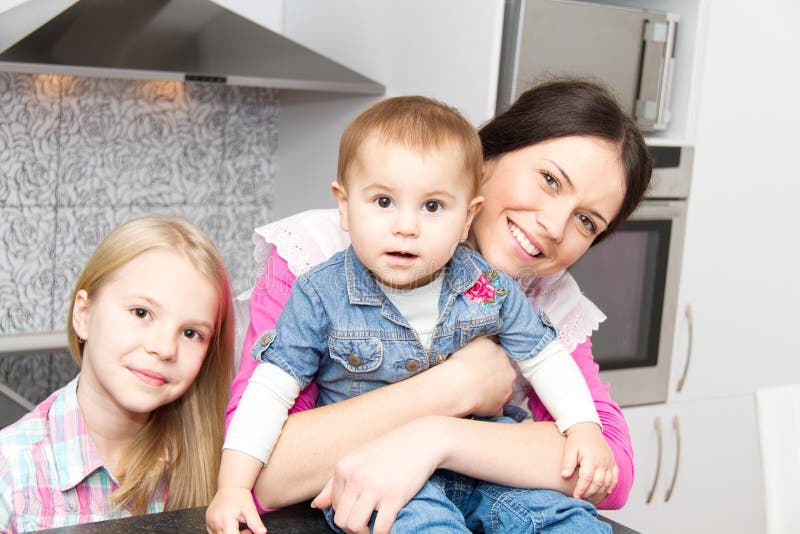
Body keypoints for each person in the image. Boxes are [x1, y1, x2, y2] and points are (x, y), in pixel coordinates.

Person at [225, 79, 651, 533]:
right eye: (549, 180)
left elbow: (611, 470)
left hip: (481, 492)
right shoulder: (318, 256)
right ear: (487, 157)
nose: (552, 225)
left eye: (586, 221)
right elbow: (270, 475)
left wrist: (439, 438)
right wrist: (457, 385)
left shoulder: (547, 298)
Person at [0, 216, 234, 533]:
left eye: (191, 333)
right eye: (141, 312)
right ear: (83, 315)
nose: (164, 348)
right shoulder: (11, 472)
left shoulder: (225, 467)